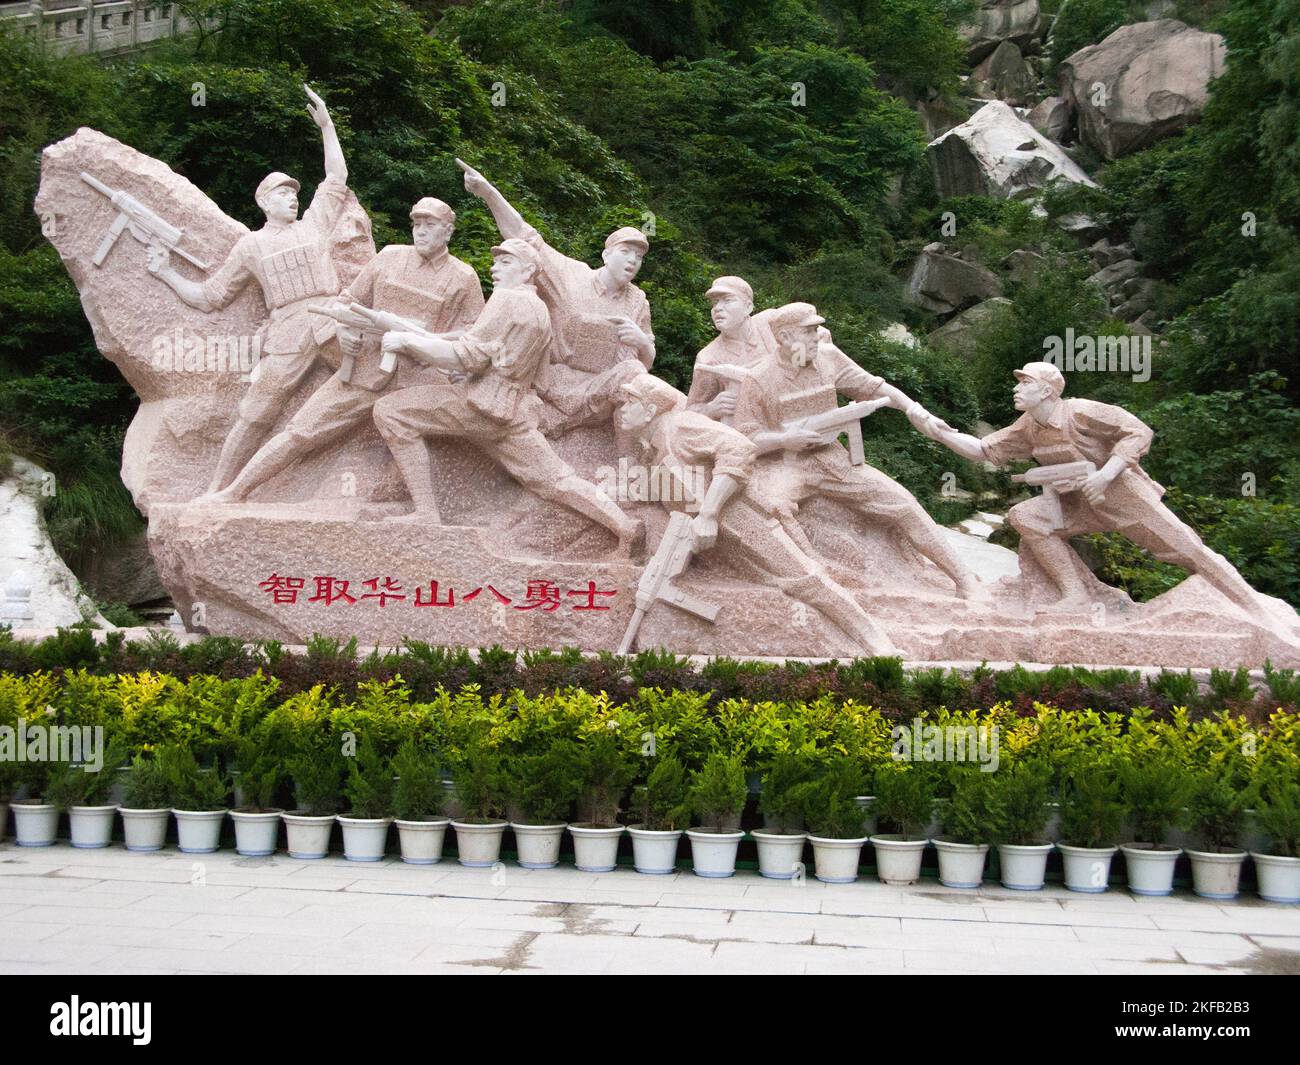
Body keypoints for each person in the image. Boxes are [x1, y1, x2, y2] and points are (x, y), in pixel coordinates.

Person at [915, 361, 1292, 624]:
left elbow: (1138, 431)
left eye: (1024, 382)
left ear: (1046, 389)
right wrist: (937, 431)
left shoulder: (1081, 411)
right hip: (1077, 504)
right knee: (1026, 516)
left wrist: (1105, 474)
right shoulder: (1028, 425)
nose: (1016, 388)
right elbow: (985, 450)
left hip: (1123, 493)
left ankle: (1253, 608)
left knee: (1185, 549)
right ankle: (1074, 595)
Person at [372, 238, 644, 555]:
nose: (494, 267)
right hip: (513, 413)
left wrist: (406, 341)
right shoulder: (540, 309)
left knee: (390, 411)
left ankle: (425, 513)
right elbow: (535, 373)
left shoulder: (505, 299)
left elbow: (465, 356)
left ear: (529, 269)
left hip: (478, 408)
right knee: (557, 480)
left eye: (505, 262)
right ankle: (624, 525)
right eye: (495, 261)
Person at [204, 197, 484, 502]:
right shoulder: (389, 258)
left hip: (419, 378)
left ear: (448, 230)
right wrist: (345, 331)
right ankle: (234, 492)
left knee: (474, 426)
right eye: (417, 224)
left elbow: (473, 334)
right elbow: (346, 301)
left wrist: (428, 339)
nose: (421, 232)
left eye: (430, 225)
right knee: (299, 432)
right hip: (366, 370)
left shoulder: (463, 277)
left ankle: (433, 511)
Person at [147, 84, 352, 494]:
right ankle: (219, 489)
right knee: (256, 412)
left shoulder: (314, 224)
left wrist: (327, 126)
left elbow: (337, 176)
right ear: (263, 202)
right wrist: (166, 273)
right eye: (283, 194)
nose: (293, 199)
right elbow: (211, 297)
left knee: (373, 379)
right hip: (289, 329)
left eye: (295, 194)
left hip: (332, 319)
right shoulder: (251, 246)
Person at [616, 372, 898, 655]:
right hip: (717, 542)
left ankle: (876, 643)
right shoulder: (651, 448)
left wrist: (709, 514)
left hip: (746, 521)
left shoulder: (680, 426)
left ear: (651, 410)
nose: (623, 409)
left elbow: (739, 448)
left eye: (630, 402)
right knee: (784, 586)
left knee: (806, 579)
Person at [732, 302, 988, 602]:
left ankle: (964, 579)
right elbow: (744, 438)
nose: (818, 336)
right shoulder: (759, 379)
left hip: (833, 458)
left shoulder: (828, 358)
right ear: (786, 337)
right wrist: (784, 439)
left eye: (817, 329)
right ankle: (816, 583)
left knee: (902, 503)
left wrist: (915, 410)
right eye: (809, 330)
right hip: (785, 464)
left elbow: (874, 388)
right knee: (772, 507)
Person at [457, 158, 653, 430]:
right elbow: (524, 238)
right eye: (625, 252)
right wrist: (488, 192)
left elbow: (644, 365)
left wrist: (643, 343)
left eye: (639, 256)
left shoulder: (637, 301)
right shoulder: (570, 275)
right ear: (606, 254)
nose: (632, 261)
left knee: (637, 378)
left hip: (602, 389)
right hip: (557, 384)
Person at [686, 275, 779, 424]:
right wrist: (710, 409)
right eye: (715, 302)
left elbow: (813, 333)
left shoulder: (771, 323)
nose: (718, 308)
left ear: (748, 306)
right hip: (749, 430)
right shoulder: (708, 358)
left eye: (727, 300)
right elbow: (690, 413)